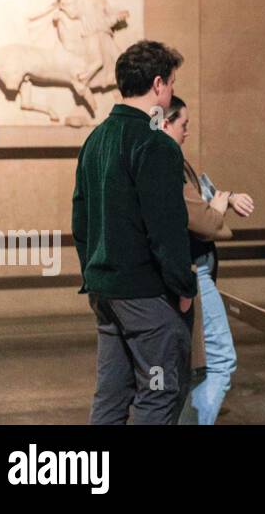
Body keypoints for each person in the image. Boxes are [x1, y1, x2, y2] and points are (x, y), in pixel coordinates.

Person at [72, 39, 196, 425]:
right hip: (147, 296)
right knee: (158, 396)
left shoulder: (95, 140)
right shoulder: (154, 144)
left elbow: (81, 219)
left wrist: (94, 273)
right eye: (172, 83)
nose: (172, 91)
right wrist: (183, 288)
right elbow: (167, 229)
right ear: (158, 84)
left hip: (106, 292)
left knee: (110, 397)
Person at [161, 95, 255, 425]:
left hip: (187, 272)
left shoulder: (163, 159)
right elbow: (202, 222)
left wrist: (223, 200)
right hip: (193, 271)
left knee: (193, 367)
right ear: (166, 122)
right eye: (183, 125)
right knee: (219, 361)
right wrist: (218, 206)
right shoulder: (167, 161)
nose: (187, 132)